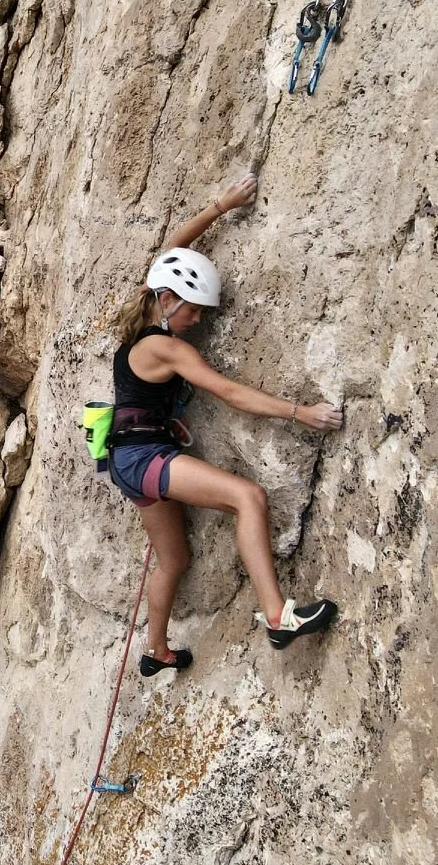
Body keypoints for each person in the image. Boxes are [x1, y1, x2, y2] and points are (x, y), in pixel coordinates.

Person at [108, 173, 343, 676]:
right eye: (193, 311)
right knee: (248, 497)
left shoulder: (143, 322)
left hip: (126, 463)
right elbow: (229, 392)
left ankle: (157, 652)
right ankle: (278, 618)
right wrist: (300, 413)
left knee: (174, 560)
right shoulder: (166, 347)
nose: (197, 320)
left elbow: (172, 250)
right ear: (168, 301)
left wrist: (221, 206)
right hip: (146, 458)